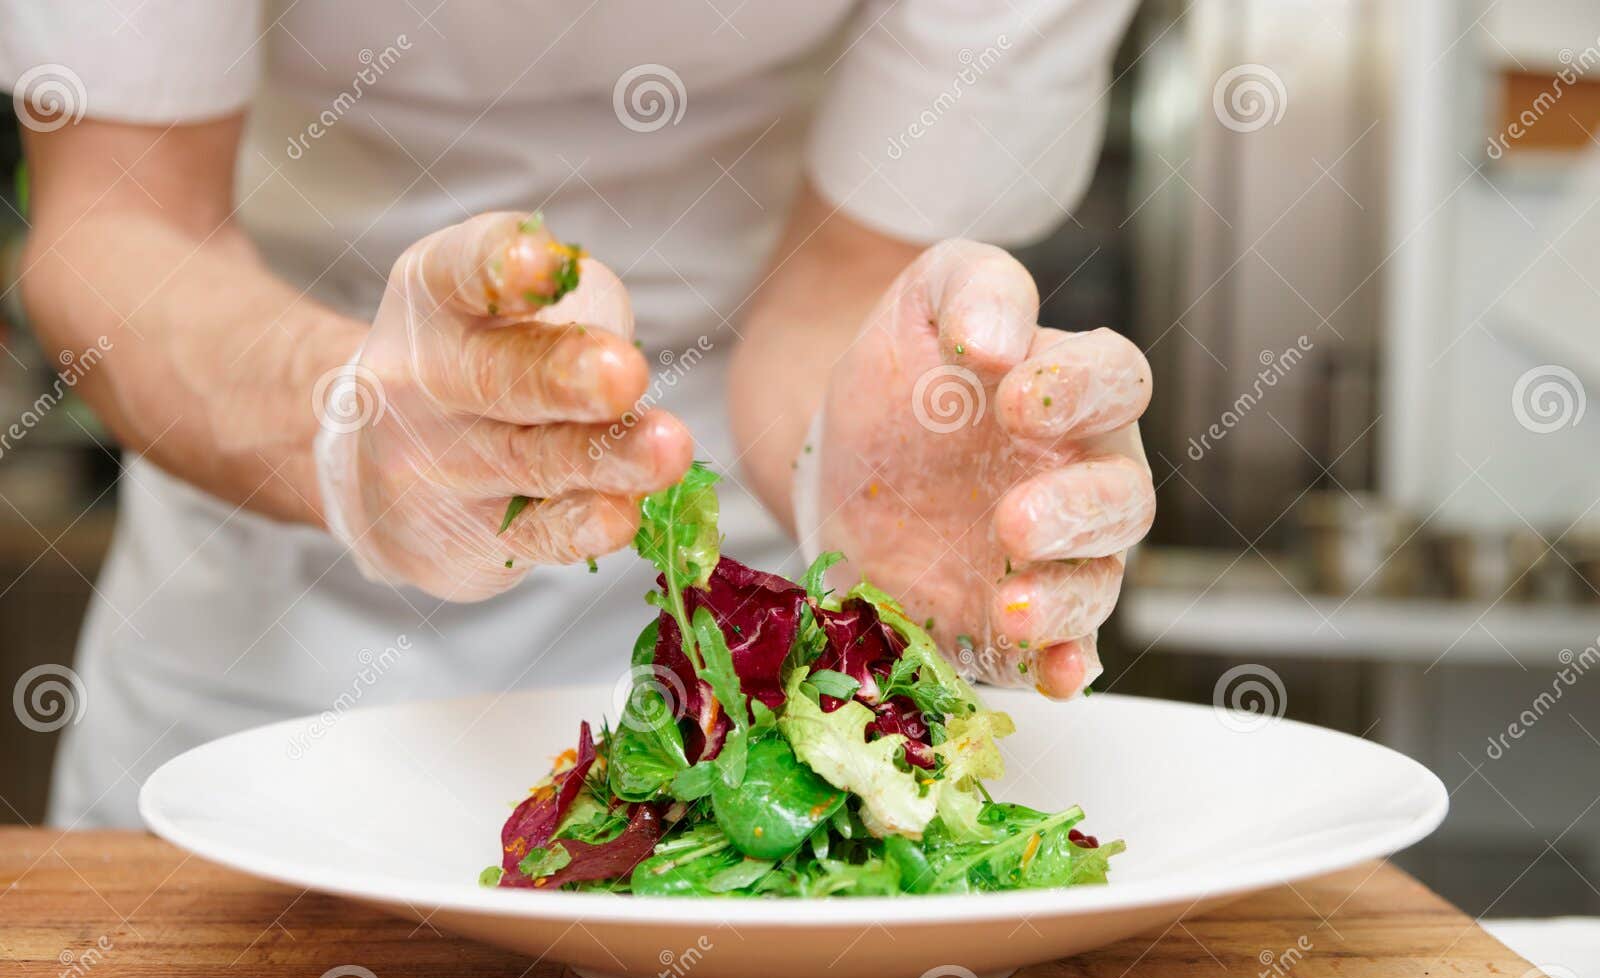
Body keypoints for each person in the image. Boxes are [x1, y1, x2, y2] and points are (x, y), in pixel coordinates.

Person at [0, 0, 1155, 829]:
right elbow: (120, 224)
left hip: (729, 656)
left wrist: (872, 461)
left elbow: (839, 280)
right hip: (263, 624)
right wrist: (352, 426)